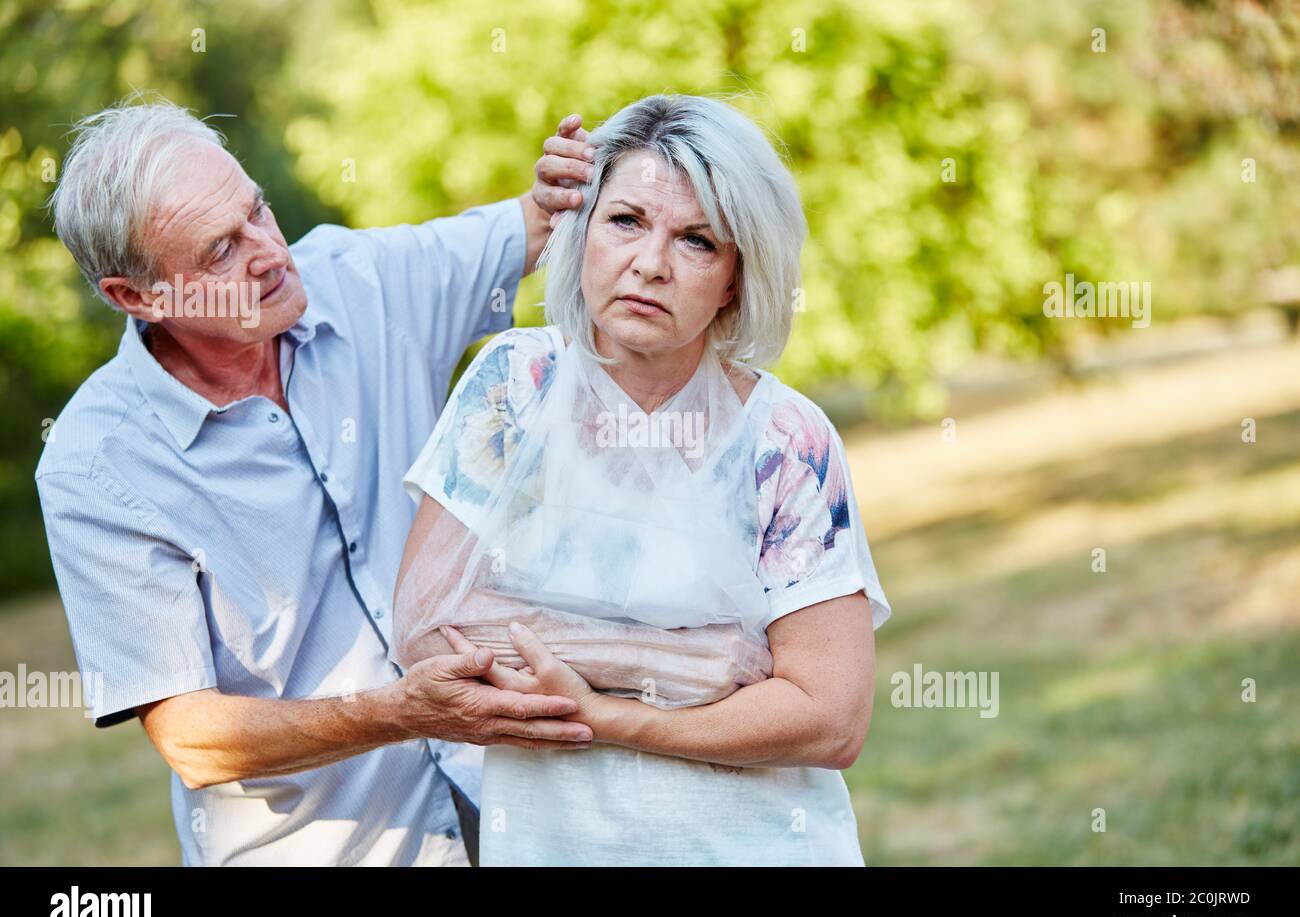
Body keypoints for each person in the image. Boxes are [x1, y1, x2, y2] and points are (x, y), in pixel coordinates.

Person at [35, 94, 595, 866]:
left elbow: (538, 223)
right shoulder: (96, 462)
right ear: (137, 298)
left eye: (257, 212)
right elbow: (192, 738)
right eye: (220, 251)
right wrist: (403, 712)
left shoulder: (360, 279)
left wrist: (568, 179)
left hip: (503, 808)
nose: (270, 252)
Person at [394, 93, 892, 866]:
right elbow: (426, 633)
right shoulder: (514, 385)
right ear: (582, 232)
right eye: (626, 221)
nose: (650, 263)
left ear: (733, 279)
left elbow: (830, 718)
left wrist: (610, 713)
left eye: (696, 240)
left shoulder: (786, 439)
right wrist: (690, 661)